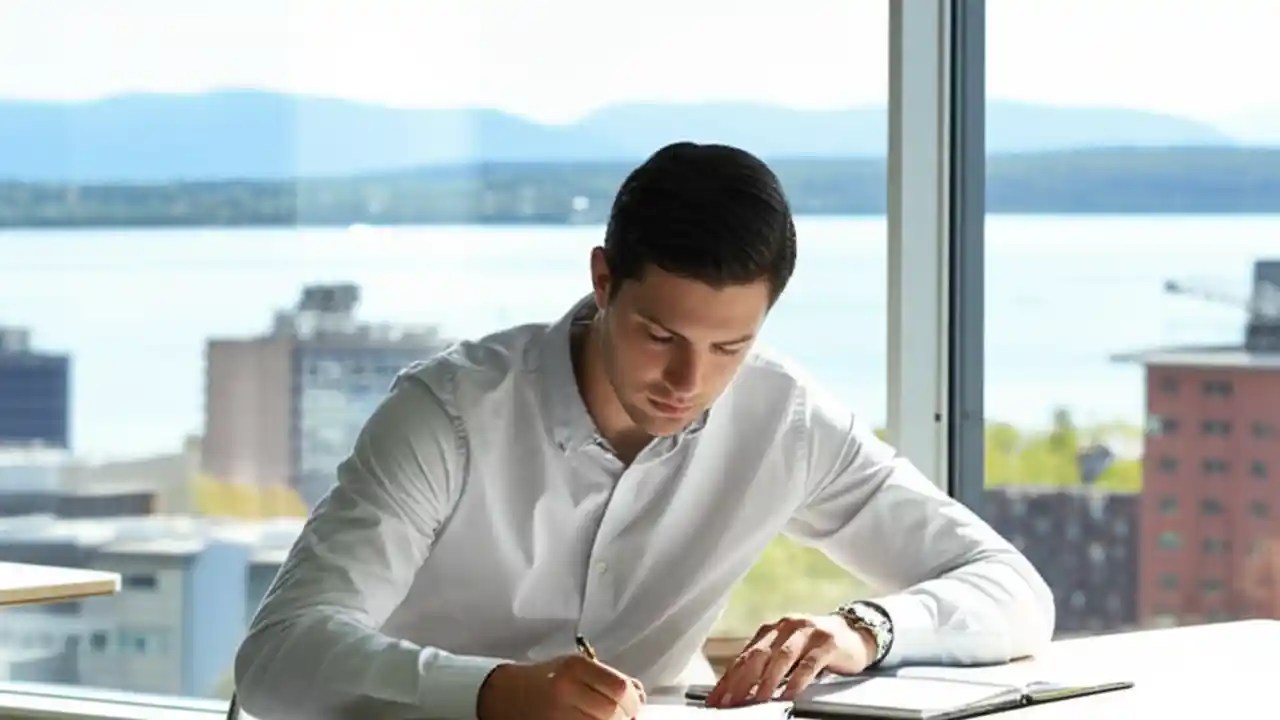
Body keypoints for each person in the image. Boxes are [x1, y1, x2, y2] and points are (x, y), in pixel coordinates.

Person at [234, 142, 1054, 720]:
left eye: (730, 346)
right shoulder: (450, 414)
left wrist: (862, 631)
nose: (688, 382)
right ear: (603, 280)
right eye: (660, 336)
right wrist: (492, 692)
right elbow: (278, 657)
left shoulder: (784, 417)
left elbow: (1011, 589)